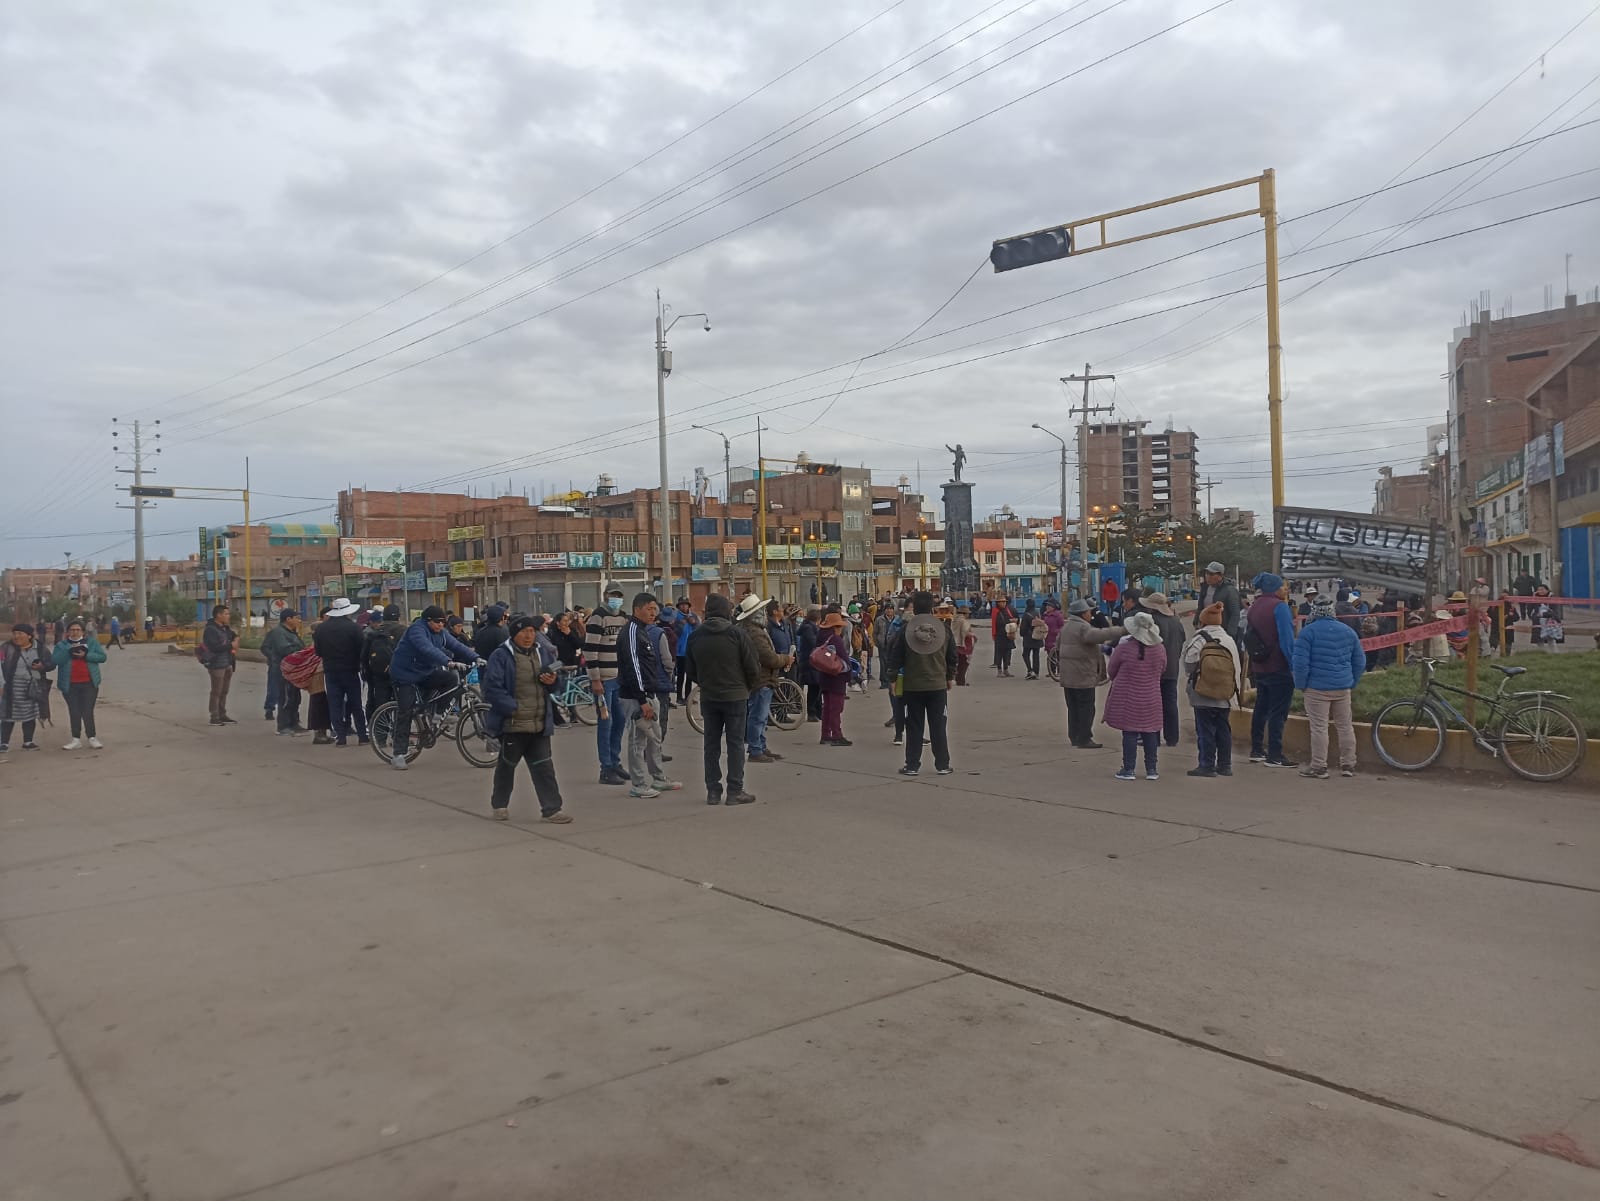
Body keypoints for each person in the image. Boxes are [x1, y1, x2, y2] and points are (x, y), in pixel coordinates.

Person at [482, 614, 572, 823]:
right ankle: (500, 804)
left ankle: (552, 809)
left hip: (539, 723)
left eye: (532, 631)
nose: (529, 636)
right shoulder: (501, 656)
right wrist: (513, 708)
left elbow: (556, 686)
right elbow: (491, 689)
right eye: (524, 632)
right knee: (507, 767)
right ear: (514, 635)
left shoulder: (543, 653)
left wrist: (552, 681)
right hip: (514, 724)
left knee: (544, 768)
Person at [684, 594, 760, 806]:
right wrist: (745, 687)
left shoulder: (696, 636)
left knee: (711, 744)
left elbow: (690, 671)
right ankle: (735, 791)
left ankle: (713, 792)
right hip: (736, 697)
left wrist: (707, 682)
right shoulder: (737, 634)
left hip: (709, 696)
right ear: (726, 610)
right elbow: (753, 667)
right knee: (735, 744)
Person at [387, 604, 477, 770]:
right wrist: (447, 661)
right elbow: (426, 649)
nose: (441, 625)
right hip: (405, 674)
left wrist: (476, 657)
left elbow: (457, 646)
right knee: (406, 711)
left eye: (443, 622)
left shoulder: (441, 633)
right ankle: (398, 754)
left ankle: (437, 714)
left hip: (424, 672)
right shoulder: (416, 630)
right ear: (427, 621)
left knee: (451, 678)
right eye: (437, 622)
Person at [1291, 595, 1366, 780]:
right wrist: (1351, 681)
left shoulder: (1308, 632)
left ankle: (1319, 767)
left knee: (1319, 727)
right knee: (1345, 726)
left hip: (1316, 688)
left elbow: (1300, 664)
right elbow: (1360, 661)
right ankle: (1348, 764)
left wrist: (1301, 685)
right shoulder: (1348, 632)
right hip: (1342, 687)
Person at [614, 592, 679, 798]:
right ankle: (639, 785)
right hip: (636, 697)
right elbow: (633, 667)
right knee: (638, 740)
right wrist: (642, 700)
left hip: (650, 693)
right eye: (649, 609)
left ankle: (659, 779)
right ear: (637, 609)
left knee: (654, 739)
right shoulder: (631, 632)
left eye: (655, 609)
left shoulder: (644, 631)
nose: (653, 613)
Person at [885, 591, 957, 776]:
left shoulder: (906, 630)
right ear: (932, 607)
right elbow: (952, 656)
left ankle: (912, 765)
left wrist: (892, 679)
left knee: (914, 726)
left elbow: (895, 657)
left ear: (914, 607)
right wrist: (950, 677)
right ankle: (942, 765)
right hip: (937, 686)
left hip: (912, 686)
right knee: (938, 725)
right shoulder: (943, 629)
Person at [1180, 602, 1241, 777]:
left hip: (1203, 693)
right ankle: (1225, 765)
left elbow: (1189, 664)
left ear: (1203, 622)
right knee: (1223, 729)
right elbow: (1236, 667)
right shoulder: (1229, 639)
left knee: (1205, 729)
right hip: (1225, 693)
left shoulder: (1198, 639)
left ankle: (1207, 765)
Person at [1244, 572, 1298, 768]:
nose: (1285, 590)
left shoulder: (1254, 607)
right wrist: (1293, 666)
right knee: (1278, 712)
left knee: (1261, 708)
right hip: (1278, 666)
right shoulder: (1279, 607)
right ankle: (1275, 754)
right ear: (1274, 588)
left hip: (1260, 666)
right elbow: (1286, 641)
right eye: (1283, 586)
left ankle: (1256, 749)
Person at [1104, 612, 1167, 781]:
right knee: (1151, 731)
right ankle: (1152, 769)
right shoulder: (1159, 648)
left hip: (1128, 696)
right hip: (1152, 696)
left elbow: (1111, 670)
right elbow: (1163, 668)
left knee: (1130, 732)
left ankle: (1129, 768)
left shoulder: (1124, 648)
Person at [1058, 599, 1123, 749]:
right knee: (1086, 708)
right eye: (1088, 612)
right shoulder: (1083, 628)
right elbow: (1100, 634)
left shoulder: (1066, 628)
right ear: (1082, 614)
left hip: (1068, 676)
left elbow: (1057, 646)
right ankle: (1084, 738)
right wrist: (1122, 630)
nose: (1090, 614)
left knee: (1073, 707)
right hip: (1083, 675)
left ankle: (1074, 736)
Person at [584, 586, 632, 786]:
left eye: (619, 596)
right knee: (606, 722)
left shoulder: (623, 618)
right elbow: (590, 650)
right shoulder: (597, 617)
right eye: (613, 595)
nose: (616, 599)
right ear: (605, 596)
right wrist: (595, 679)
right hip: (603, 679)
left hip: (619, 679)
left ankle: (615, 761)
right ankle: (606, 768)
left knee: (620, 721)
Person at [736, 596, 792, 765]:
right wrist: (785, 659)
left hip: (761, 679)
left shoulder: (753, 630)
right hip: (761, 679)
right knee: (758, 716)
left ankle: (760, 745)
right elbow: (768, 657)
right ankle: (756, 749)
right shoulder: (755, 633)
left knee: (760, 715)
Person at [313, 597, 368, 747]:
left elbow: (318, 651)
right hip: (351, 671)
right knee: (356, 704)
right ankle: (362, 737)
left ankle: (340, 738)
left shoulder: (321, 629)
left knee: (335, 705)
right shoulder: (354, 628)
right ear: (347, 612)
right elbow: (362, 650)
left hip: (330, 671)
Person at [1138, 592, 1186, 748]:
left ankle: (1154, 736)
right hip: (1172, 667)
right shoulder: (1176, 621)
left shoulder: (1153, 623)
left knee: (1153, 704)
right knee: (1170, 703)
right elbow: (1181, 641)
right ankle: (1172, 737)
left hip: (1155, 669)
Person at [52, 619, 107, 750]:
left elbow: (102, 657)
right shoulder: (61, 645)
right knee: (74, 711)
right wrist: (68, 651)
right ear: (68, 632)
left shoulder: (92, 643)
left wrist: (86, 655)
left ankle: (92, 737)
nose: (75, 632)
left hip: (89, 683)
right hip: (69, 685)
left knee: (87, 711)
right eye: (72, 630)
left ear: (83, 631)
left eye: (77, 630)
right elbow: (55, 660)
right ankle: (76, 739)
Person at [1, 624, 51, 752]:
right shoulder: (6, 647)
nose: (16, 636)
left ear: (29, 636)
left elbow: (51, 663)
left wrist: (42, 666)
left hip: (32, 686)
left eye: (20, 633)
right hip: (10, 686)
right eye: (15, 633)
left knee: (30, 714)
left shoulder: (40, 648)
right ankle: (3, 743)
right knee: (8, 715)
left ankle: (28, 742)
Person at [261, 610, 306, 735]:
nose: (299, 620)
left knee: (295, 697)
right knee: (286, 697)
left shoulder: (291, 632)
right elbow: (284, 649)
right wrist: (300, 651)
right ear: (288, 619)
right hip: (283, 670)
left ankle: (294, 722)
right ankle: (283, 725)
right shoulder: (278, 633)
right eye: (296, 618)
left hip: (294, 670)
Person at [815, 610, 853, 745]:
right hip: (836, 677)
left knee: (827, 707)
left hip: (824, 675)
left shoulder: (821, 637)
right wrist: (850, 676)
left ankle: (825, 734)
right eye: (839, 626)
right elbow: (844, 658)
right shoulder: (836, 639)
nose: (841, 628)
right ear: (835, 627)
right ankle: (837, 735)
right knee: (836, 708)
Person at [361, 604, 405, 719]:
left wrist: (368, 674)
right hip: (399, 675)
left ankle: (378, 733)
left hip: (378, 675)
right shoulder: (403, 631)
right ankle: (399, 733)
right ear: (399, 617)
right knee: (401, 705)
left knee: (380, 703)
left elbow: (364, 657)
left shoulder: (374, 633)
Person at [201, 604, 240, 726]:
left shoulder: (225, 628)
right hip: (216, 665)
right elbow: (214, 647)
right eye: (226, 614)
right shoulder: (210, 630)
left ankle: (222, 714)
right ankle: (214, 716)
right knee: (216, 691)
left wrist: (235, 640)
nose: (228, 616)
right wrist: (230, 645)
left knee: (224, 691)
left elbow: (234, 637)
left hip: (227, 662)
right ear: (218, 615)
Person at [1194, 562, 1241, 634]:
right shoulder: (1205, 588)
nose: (1208, 576)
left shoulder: (1229, 590)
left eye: (1211, 574)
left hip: (1222, 632)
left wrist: (1230, 634)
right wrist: (1196, 621)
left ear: (1220, 576)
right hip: (1205, 630)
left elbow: (1235, 614)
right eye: (1207, 573)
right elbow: (1200, 607)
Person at [796, 607, 823, 722]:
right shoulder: (808, 628)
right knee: (814, 687)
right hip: (809, 661)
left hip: (812, 661)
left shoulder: (811, 627)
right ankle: (812, 712)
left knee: (817, 686)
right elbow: (813, 642)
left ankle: (817, 711)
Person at [672, 598, 699, 704]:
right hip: (680, 651)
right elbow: (674, 633)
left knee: (690, 676)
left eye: (685, 605)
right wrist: (681, 624)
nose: (684, 607)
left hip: (690, 650)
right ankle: (679, 697)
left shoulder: (693, 616)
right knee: (681, 676)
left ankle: (689, 697)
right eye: (681, 605)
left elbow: (698, 629)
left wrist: (693, 623)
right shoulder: (676, 617)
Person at [991, 595, 1017, 676]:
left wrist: (1013, 621)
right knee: (999, 653)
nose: (1003, 604)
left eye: (1004, 602)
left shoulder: (1007, 610)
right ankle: (999, 670)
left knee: (1007, 653)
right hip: (999, 635)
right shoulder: (995, 611)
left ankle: (1006, 669)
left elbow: (1012, 618)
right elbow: (996, 623)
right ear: (998, 603)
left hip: (1008, 635)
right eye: (1001, 602)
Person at [952, 602, 975, 686]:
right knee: (964, 664)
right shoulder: (963, 621)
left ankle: (956, 679)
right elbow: (965, 631)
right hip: (962, 645)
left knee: (957, 664)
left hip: (954, 643)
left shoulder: (954, 619)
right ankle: (961, 681)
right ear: (965, 614)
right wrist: (973, 635)